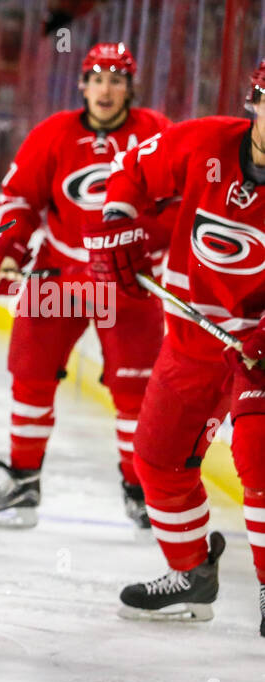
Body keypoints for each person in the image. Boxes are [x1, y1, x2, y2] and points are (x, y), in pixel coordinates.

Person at [89, 59, 265, 635]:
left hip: (260, 349)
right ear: (254, 100)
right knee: (158, 460)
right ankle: (192, 574)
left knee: (259, 458)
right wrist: (118, 215)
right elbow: (132, 169)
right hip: (192, 339)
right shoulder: (206, 141)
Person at [0, 43, 171, 529]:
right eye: (97, 78)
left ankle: (138, 486)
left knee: (136, 389)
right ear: (82, 85)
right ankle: (22, 480)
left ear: (131, 87)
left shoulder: (156, 133)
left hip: (129, 279)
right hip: (60, 269)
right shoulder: (53, 133)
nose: (106, 88)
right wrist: (7, 252)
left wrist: (150, 249)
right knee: (30, 373)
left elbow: (179, 201)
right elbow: (20, 197)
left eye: (117, 79)